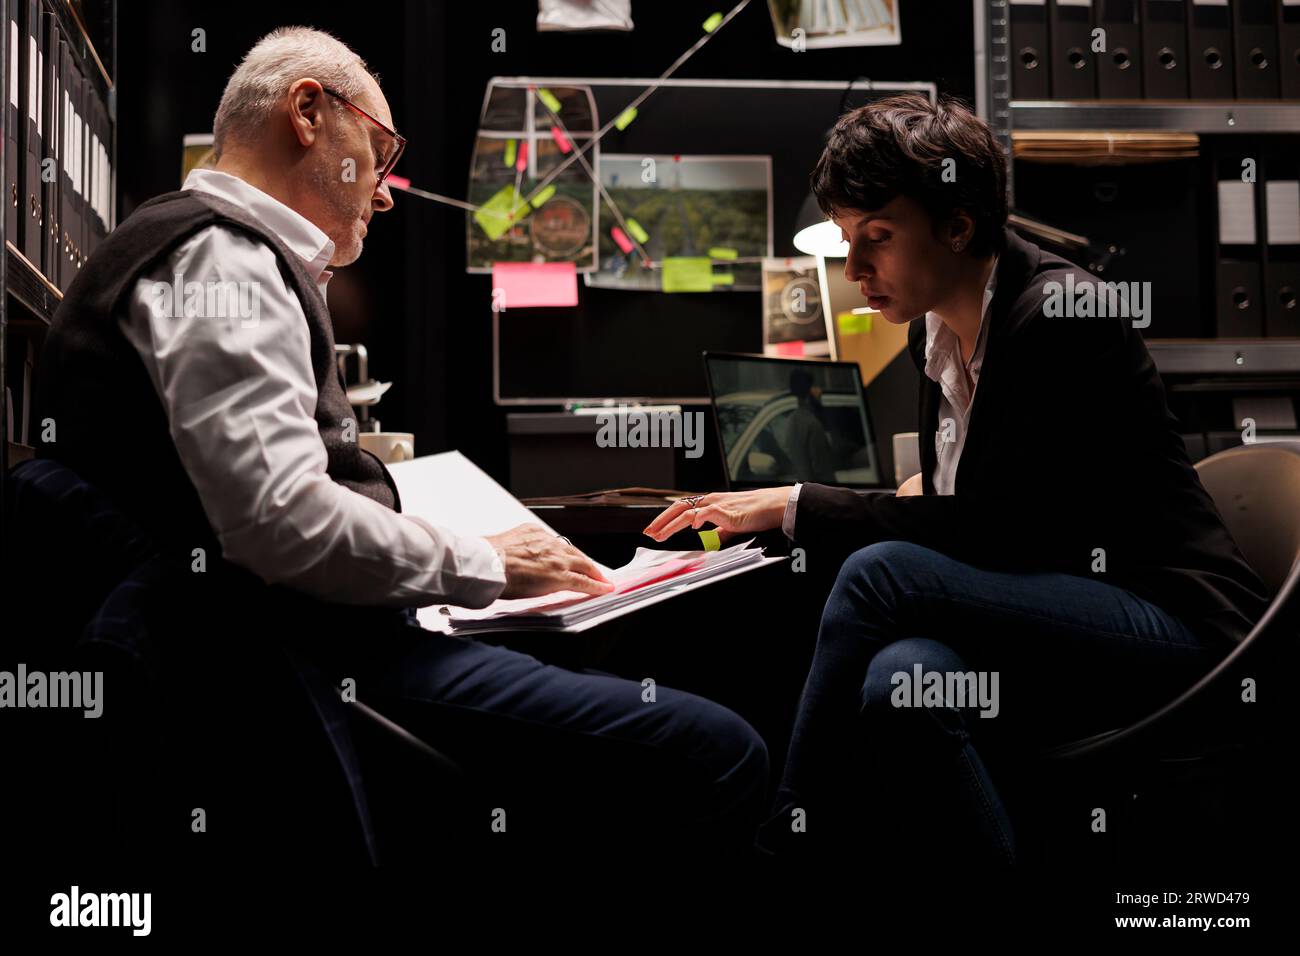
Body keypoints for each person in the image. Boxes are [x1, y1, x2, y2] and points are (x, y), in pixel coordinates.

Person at [35, 27, 767, 857]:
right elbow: (282, 522)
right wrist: (491, 564)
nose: (385, 193)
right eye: (379, 153)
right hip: (301, 671)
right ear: (308, 111)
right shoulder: (222, 263)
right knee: (719, 750)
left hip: (301, 650)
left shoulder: (216, 252)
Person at [643, 93, 1270, 865]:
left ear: (958, 226)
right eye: (847, 240)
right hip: (1053, 597)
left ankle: (781, 845)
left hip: (1167, 618)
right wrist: (923, 504)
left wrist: (799, 503)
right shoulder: (936, 333)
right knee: (899, 684)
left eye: (877, 237)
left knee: (878, 574)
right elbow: (987, 512)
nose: (854, 268)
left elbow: (1004, 532)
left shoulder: (1059, 316)